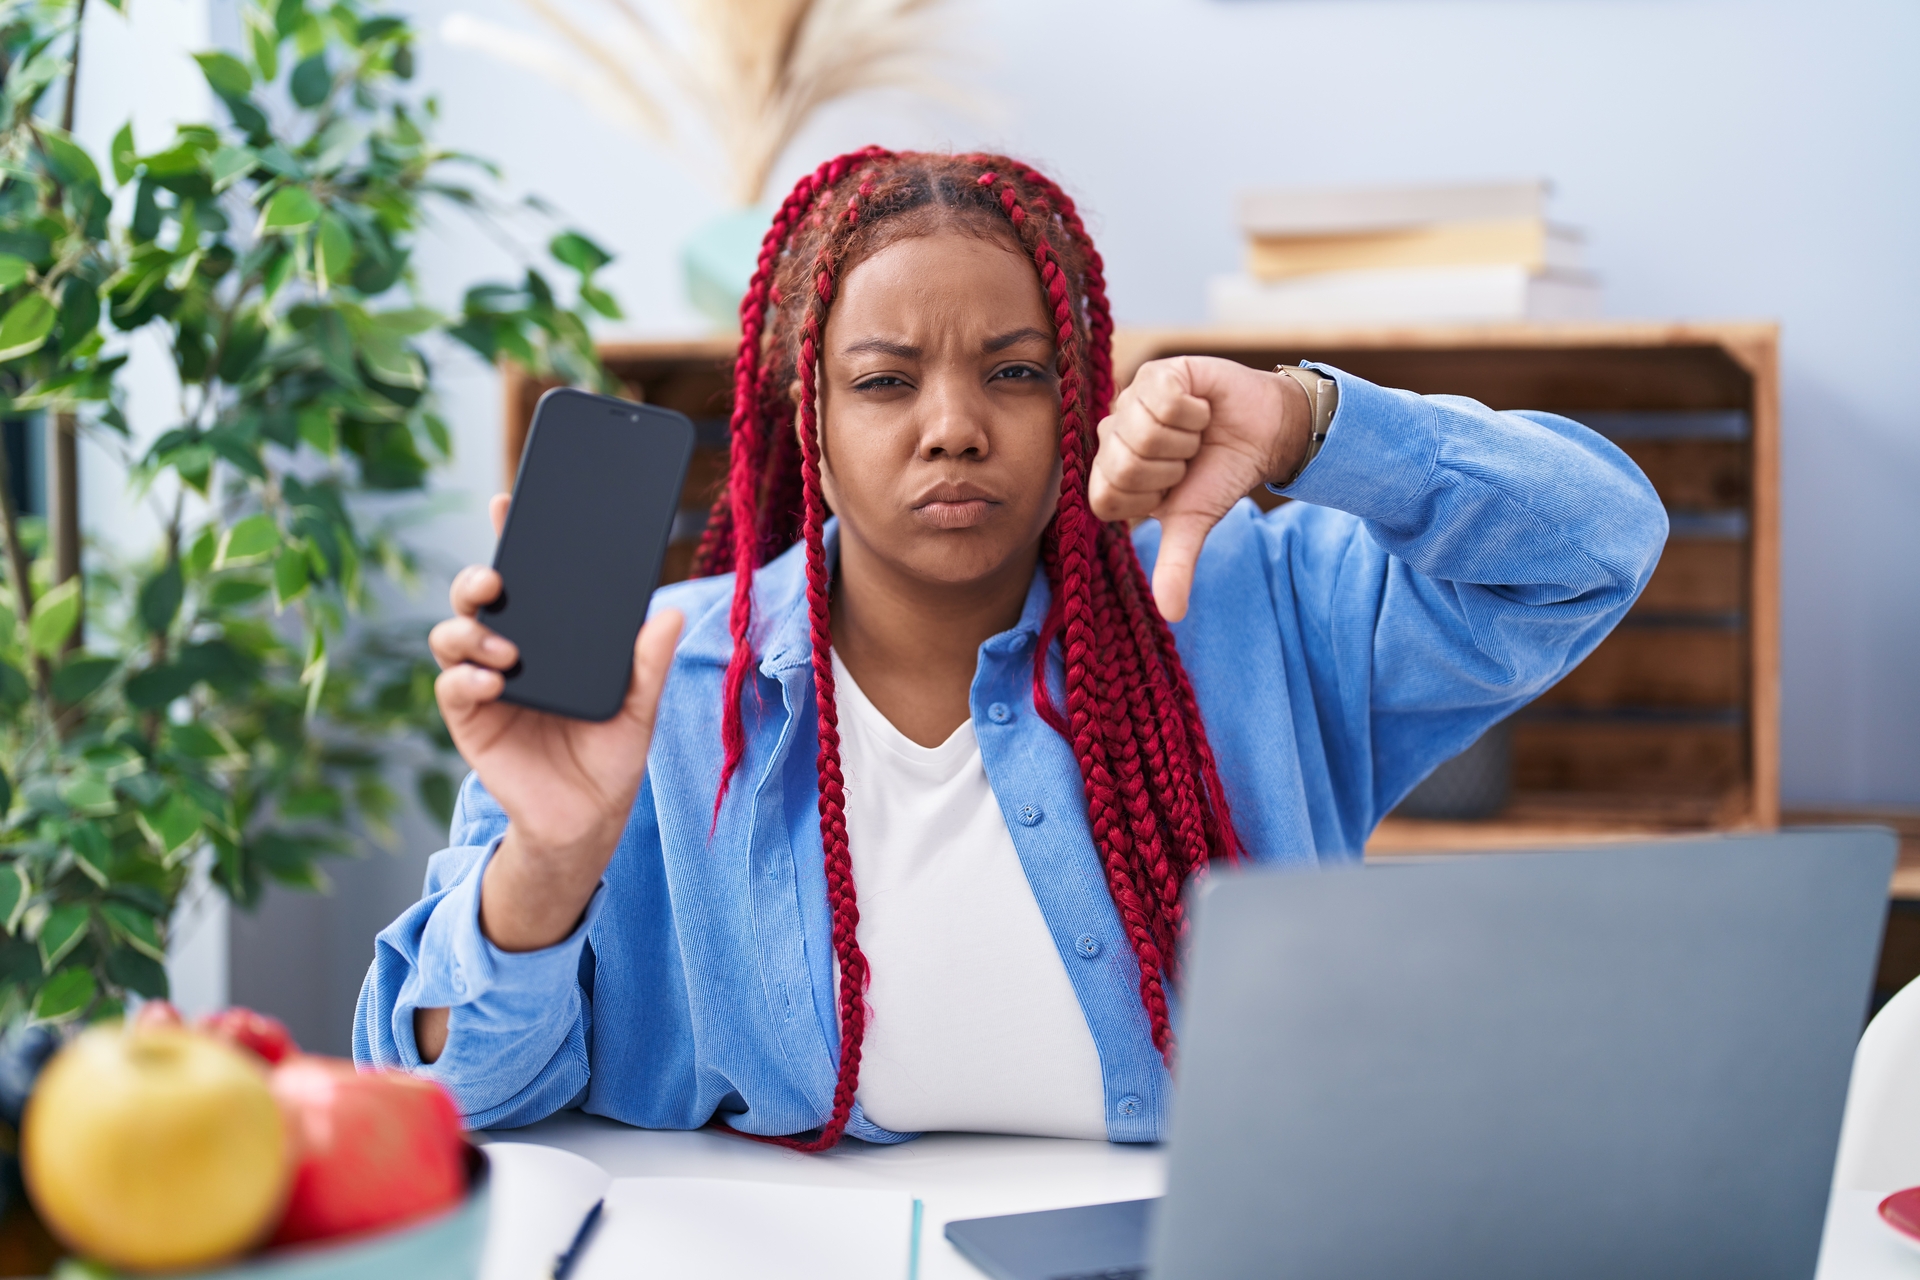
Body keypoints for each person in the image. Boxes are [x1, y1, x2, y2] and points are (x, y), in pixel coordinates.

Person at [354, 149, 1668, 1149]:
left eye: (1016, 372)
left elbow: (1595, 547)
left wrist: (1302, 424)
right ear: (806, 418)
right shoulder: (654, 687)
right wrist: (553, 859)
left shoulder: (1245, 606)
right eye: (884, 380)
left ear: (1080, 395)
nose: (954, 427)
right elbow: (447, 1102)